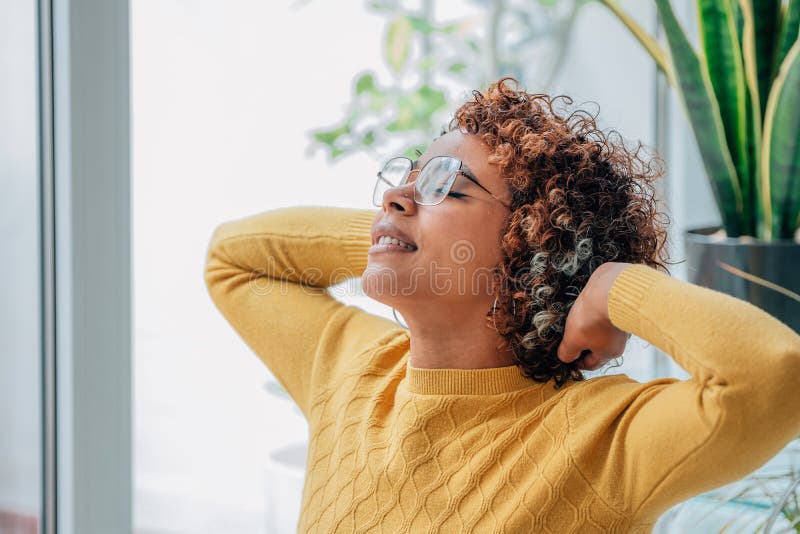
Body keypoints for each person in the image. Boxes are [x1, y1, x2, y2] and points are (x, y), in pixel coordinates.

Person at [204, 77, 800, 533]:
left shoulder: (601, 441)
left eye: (446, 185)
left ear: (537, 245)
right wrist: (391, 233)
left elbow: (774, 375)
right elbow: (232, 259)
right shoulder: (350, 370)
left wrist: (617, 286)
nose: (396, 193)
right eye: (408, 176)